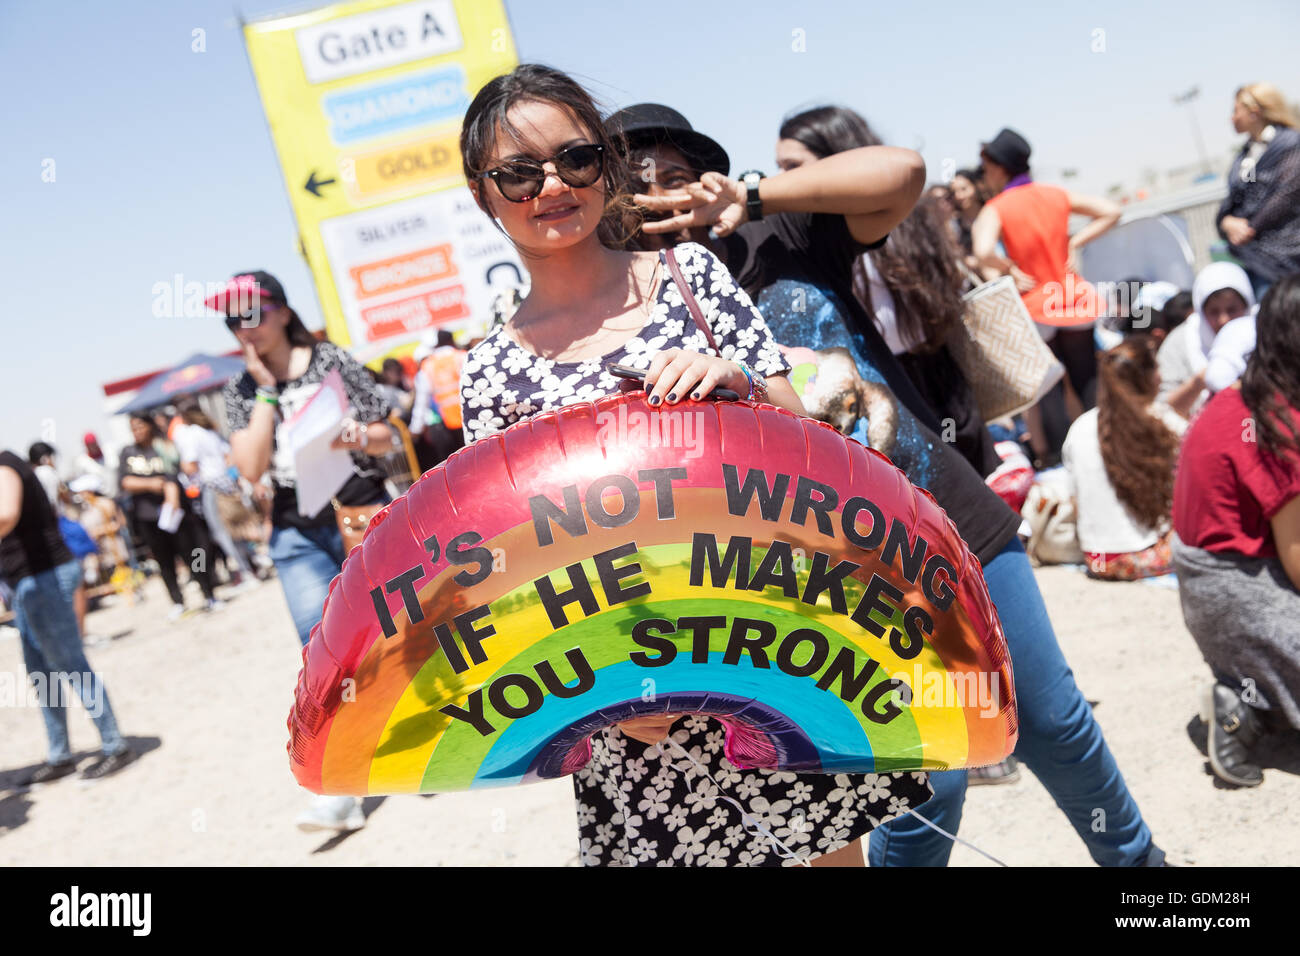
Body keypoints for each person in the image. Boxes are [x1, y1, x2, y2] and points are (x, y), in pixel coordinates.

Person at [618, 102, 1167, 866]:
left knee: (1051, 722)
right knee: (922, 775)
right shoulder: (616, 319)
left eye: (673, 177)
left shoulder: (771, 239)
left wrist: (753, 196)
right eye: (633, 185)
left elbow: (902, 172)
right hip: (824, 579)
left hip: (949, 517)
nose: (657, 198)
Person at [459, 65, 932, 867]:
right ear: (483, 193)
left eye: (575, 158)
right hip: (625, 707)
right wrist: (602, 701)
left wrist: (738, 383)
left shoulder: (691, 275)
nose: (551, 186)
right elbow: (513, 568)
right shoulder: (488, 374)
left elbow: (807, 445)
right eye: (518, 172)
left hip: (771, 655)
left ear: (605, 164)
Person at [216, 269, 393, 834]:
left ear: (283, 312)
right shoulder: (241, 388)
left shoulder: (329, 359)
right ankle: (342, 787)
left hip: (359, 512)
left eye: (252, 313)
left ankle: (417, 736)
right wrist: (265, 390)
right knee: (320, 655)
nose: (243, 327)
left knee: (393, 630)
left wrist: (356, 435)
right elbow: (247, 466)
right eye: (231, 318)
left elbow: (387, 431)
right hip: (294, 528)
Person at [1171, 274, 1300, 787]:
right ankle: (1239, 709)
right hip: (1237, 591)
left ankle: (1254, 690)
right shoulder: (1278, 421)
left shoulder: (1237, 396)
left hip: (1211, 587)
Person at [971, 127, 1122, 461]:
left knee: (1050, 389)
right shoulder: (1056, 194)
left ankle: (1062, 460)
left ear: (998, 166)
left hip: (1037, 306)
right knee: (1087, 377)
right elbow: (1112, 210)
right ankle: (1108, 449)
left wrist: (1008, 266)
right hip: (1072, 298)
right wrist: (1074, 242)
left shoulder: (997, 207)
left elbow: (981, 250)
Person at [0, 450, 134, 783]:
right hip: (28, 583)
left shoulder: (4, 465)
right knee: (41, 672)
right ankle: (60, 755)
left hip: (44, 579)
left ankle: (115, 745)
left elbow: (6, 514)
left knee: (70, 664)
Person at [1063, 338, 1185, 580]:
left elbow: (1074, 498)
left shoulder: (1080, 426)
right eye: (1157, 368)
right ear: (1147, 376)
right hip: (1147, 554)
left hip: (1097, 559)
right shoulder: (1164, 421)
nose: (1161, 375)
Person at [119, 413, 222, 619]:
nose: (137, 431)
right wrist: (151, 484)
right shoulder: (128, 452)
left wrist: (170, 493)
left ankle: (208, 592)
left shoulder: (165, 447)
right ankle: (177, 601)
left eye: (140, 426)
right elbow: (125, 482)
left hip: (177, 513)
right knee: (163, 561)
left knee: (194, 555)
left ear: (149, 426)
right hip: (148, 517)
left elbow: (176, 475)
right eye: (133, 428)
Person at [1216, 83, 1300, 300]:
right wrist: (1225, 222)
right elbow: (1237, 197)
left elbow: (1286, 194)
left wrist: (1248, 229)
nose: (1232, 118)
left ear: (1254, 112)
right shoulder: (1247, 153)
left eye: (1236, 111)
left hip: (1286, 256)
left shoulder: (1291, 144)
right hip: (1253, 258)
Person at [172, 398, 256, 588]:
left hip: (210, 488)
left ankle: (244, 572)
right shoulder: (210, 431)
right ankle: (252, 564)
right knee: (237, 530)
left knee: (221, 534)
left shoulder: (190, 434)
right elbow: (228, 456)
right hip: (226, 484)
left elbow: (189, 465)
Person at [1156, 262, 1256, 418]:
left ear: (1247, 306)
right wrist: (1201, 380)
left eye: (1232, 310)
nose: (1224, 320)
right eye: (1214, 312)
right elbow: (1163, 412)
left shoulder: (1264, 333)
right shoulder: (1180, 342)